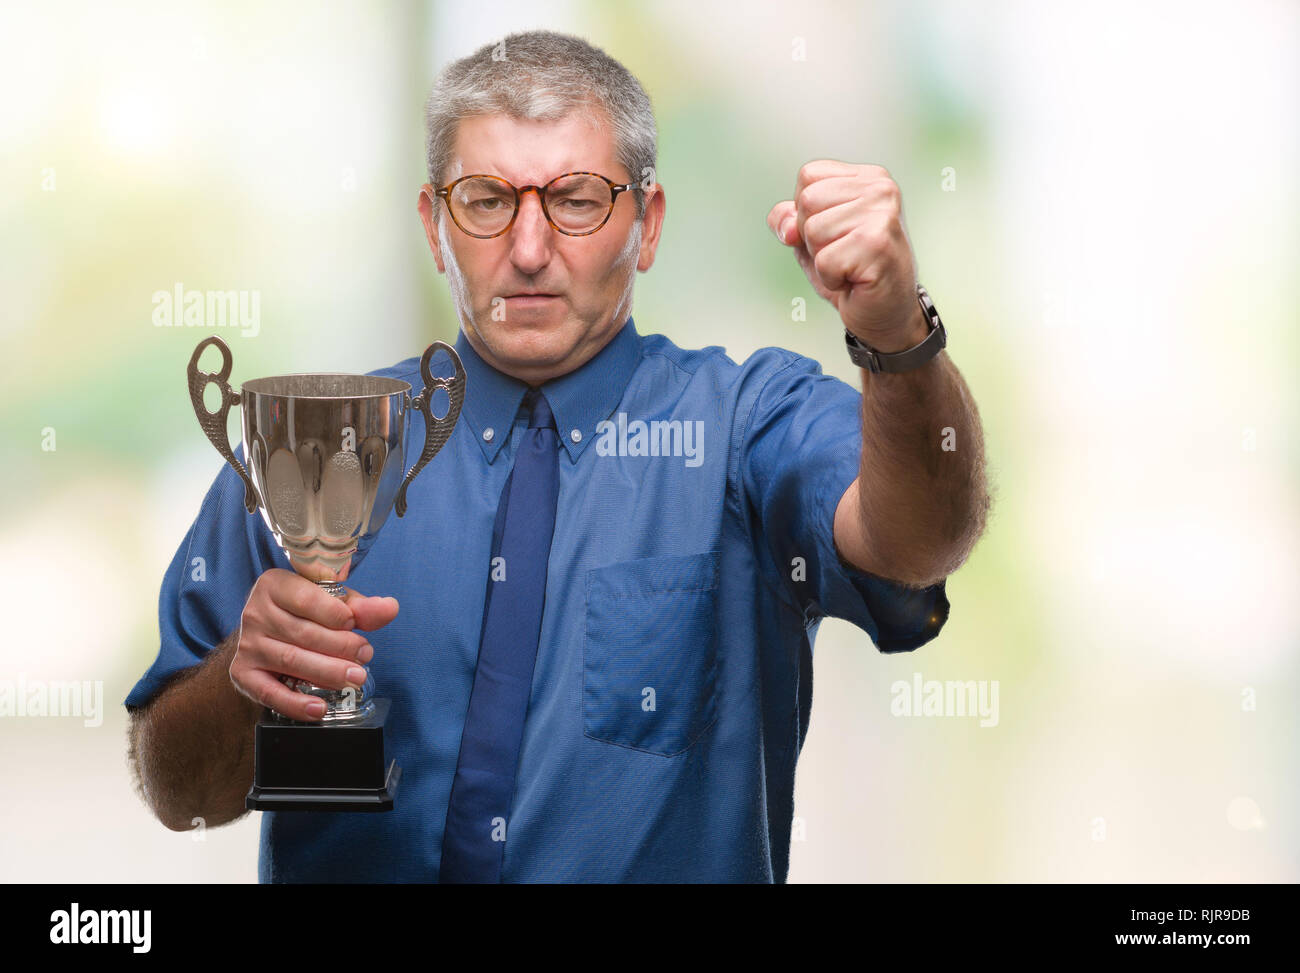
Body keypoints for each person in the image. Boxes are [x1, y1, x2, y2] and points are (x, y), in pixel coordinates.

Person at [126, 29, 989, 883]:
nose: (530, 250)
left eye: (576, 199)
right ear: (435, 226)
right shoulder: (319, 437)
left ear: (646, 226)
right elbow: (178, 795)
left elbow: (919, 540)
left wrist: (896, 336)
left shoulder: (747, 424)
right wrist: (246, 681)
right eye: (487, 200)